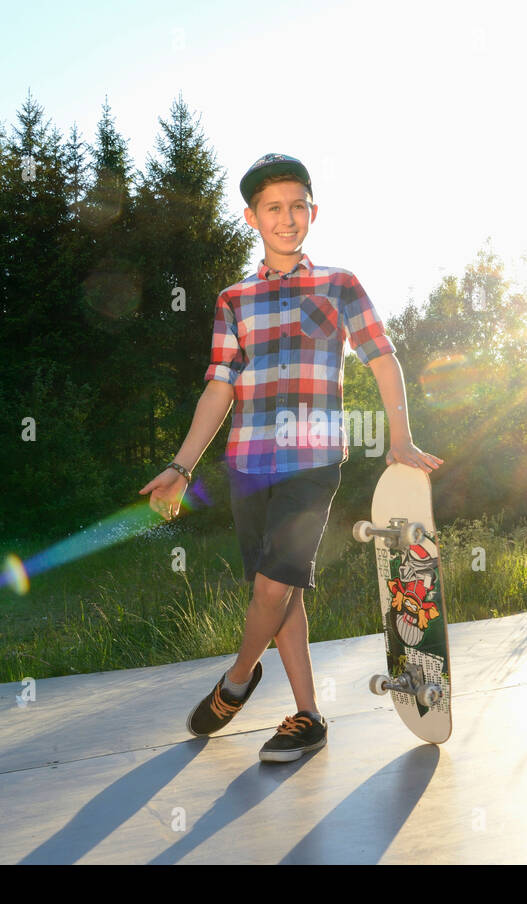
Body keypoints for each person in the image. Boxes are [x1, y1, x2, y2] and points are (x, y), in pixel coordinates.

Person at [139, 152, 442, 762]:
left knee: (273, 587)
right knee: (281, 595)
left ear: (314, 211)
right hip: (247, 464)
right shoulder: (234, 300)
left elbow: (382, 357)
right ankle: (308, 717)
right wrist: (181, 466)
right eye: (273, 208)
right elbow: (219, 386)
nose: (287, 218)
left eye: (297, 206)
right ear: (251, 217)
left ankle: (236, 680)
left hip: (312, 461)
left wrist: (400, 438)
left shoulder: (339, 284)